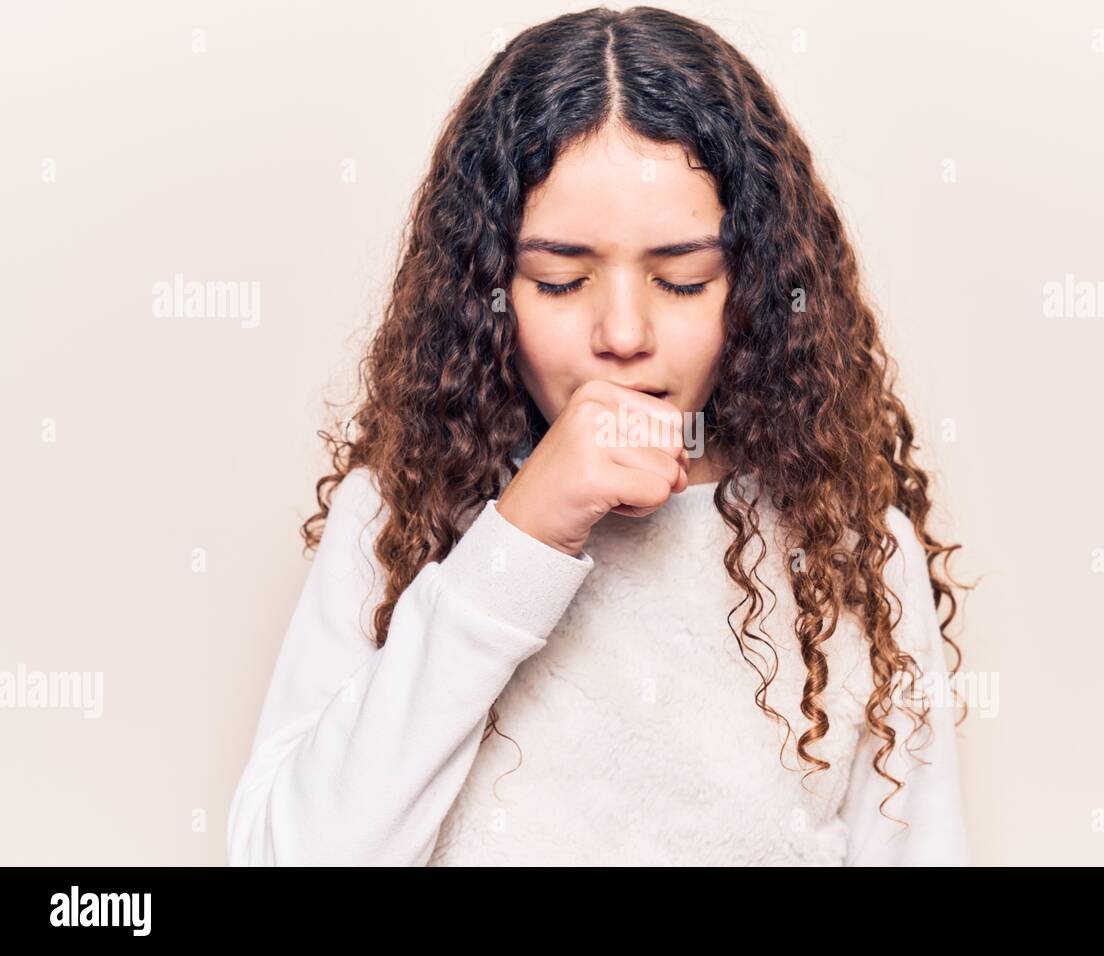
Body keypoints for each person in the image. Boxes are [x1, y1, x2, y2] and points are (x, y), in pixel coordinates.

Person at [227, 5, 973, 866]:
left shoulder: (851, 549)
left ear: (759, 287)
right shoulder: (396, 517)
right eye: (561, 279)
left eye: (684, 281)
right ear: (486, 290)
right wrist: (520, 536)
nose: (623, 333)